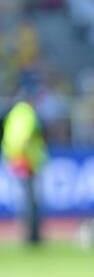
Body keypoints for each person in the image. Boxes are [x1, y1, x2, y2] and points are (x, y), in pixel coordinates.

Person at [1, 97, 47, 245]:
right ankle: (32, 235)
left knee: (25, 198)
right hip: (27, 162)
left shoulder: (14, 114)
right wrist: (23, 158)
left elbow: (10, 138)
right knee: (30, 200)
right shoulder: (27, 114)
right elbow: (24, 137)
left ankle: (28, 233)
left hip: (16, 160)